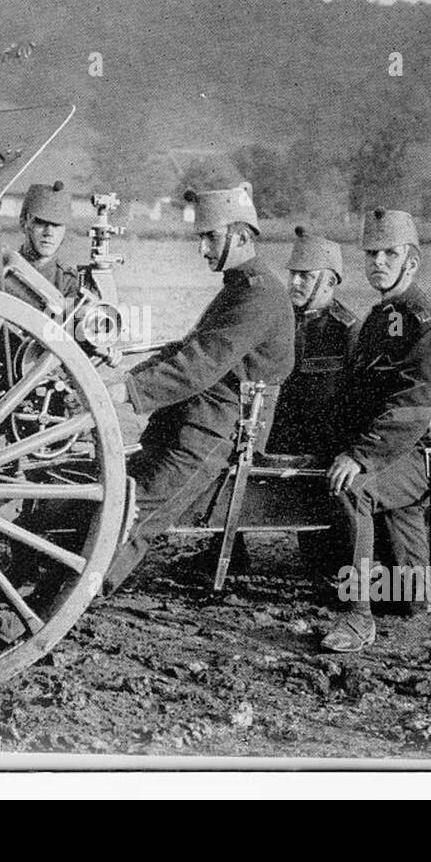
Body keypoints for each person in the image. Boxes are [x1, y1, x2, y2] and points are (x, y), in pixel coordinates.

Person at [102, 182, 295, 596]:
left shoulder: (260, 296)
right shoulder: (240, 288)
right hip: (192, 422)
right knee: (118, 493)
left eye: (211, 237)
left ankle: (75, 595)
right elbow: (185, 348)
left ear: (242, 236)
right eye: (202, 238)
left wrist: (125, 392)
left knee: (136, 514)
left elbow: (201, 363)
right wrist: (124, 380)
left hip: (218, 433)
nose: (204, 249)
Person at [320, 208, 431, 653]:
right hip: (391, 455)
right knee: (412, 596)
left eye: (390, 253)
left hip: (422, 454)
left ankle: (357, 617)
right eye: (371, 254)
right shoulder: (378, 320)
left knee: (354, 488)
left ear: (412, 261)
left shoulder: (428, 325)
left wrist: (360, 457)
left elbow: (410, 410)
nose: (378, 262)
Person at [254, 228, 358, 581]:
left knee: (322, 567)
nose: (295, 283)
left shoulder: (348, 332)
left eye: (306, 277)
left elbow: (356, 407)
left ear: (330, 282)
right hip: (278, 443)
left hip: (322, 453)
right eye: (292, 275)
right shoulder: (280, 319)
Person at [18, 180, 82, 301]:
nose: (49, 233)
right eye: (40, 223)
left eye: (57, 225)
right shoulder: (1, 270)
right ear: (23, 223)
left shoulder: (70, 284)